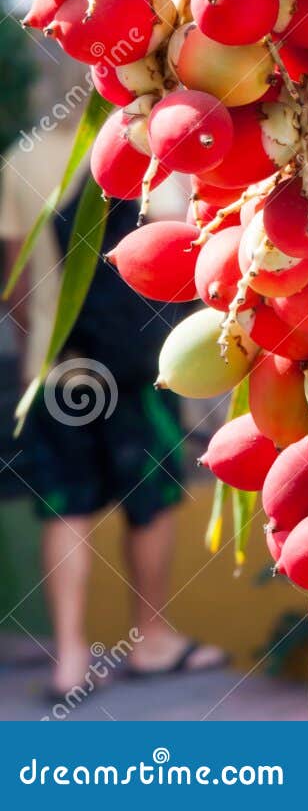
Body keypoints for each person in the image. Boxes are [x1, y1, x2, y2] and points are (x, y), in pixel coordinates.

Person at [0, 114, 226, 700]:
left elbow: (16, 283)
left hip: (56, 371)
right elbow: (177, 253)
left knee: (65, 511)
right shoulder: (149, 148)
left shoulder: (23, 157)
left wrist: (35, 349)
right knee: (151, 503)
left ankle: (70, 658)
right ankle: (150, 638)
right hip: (137, 371)